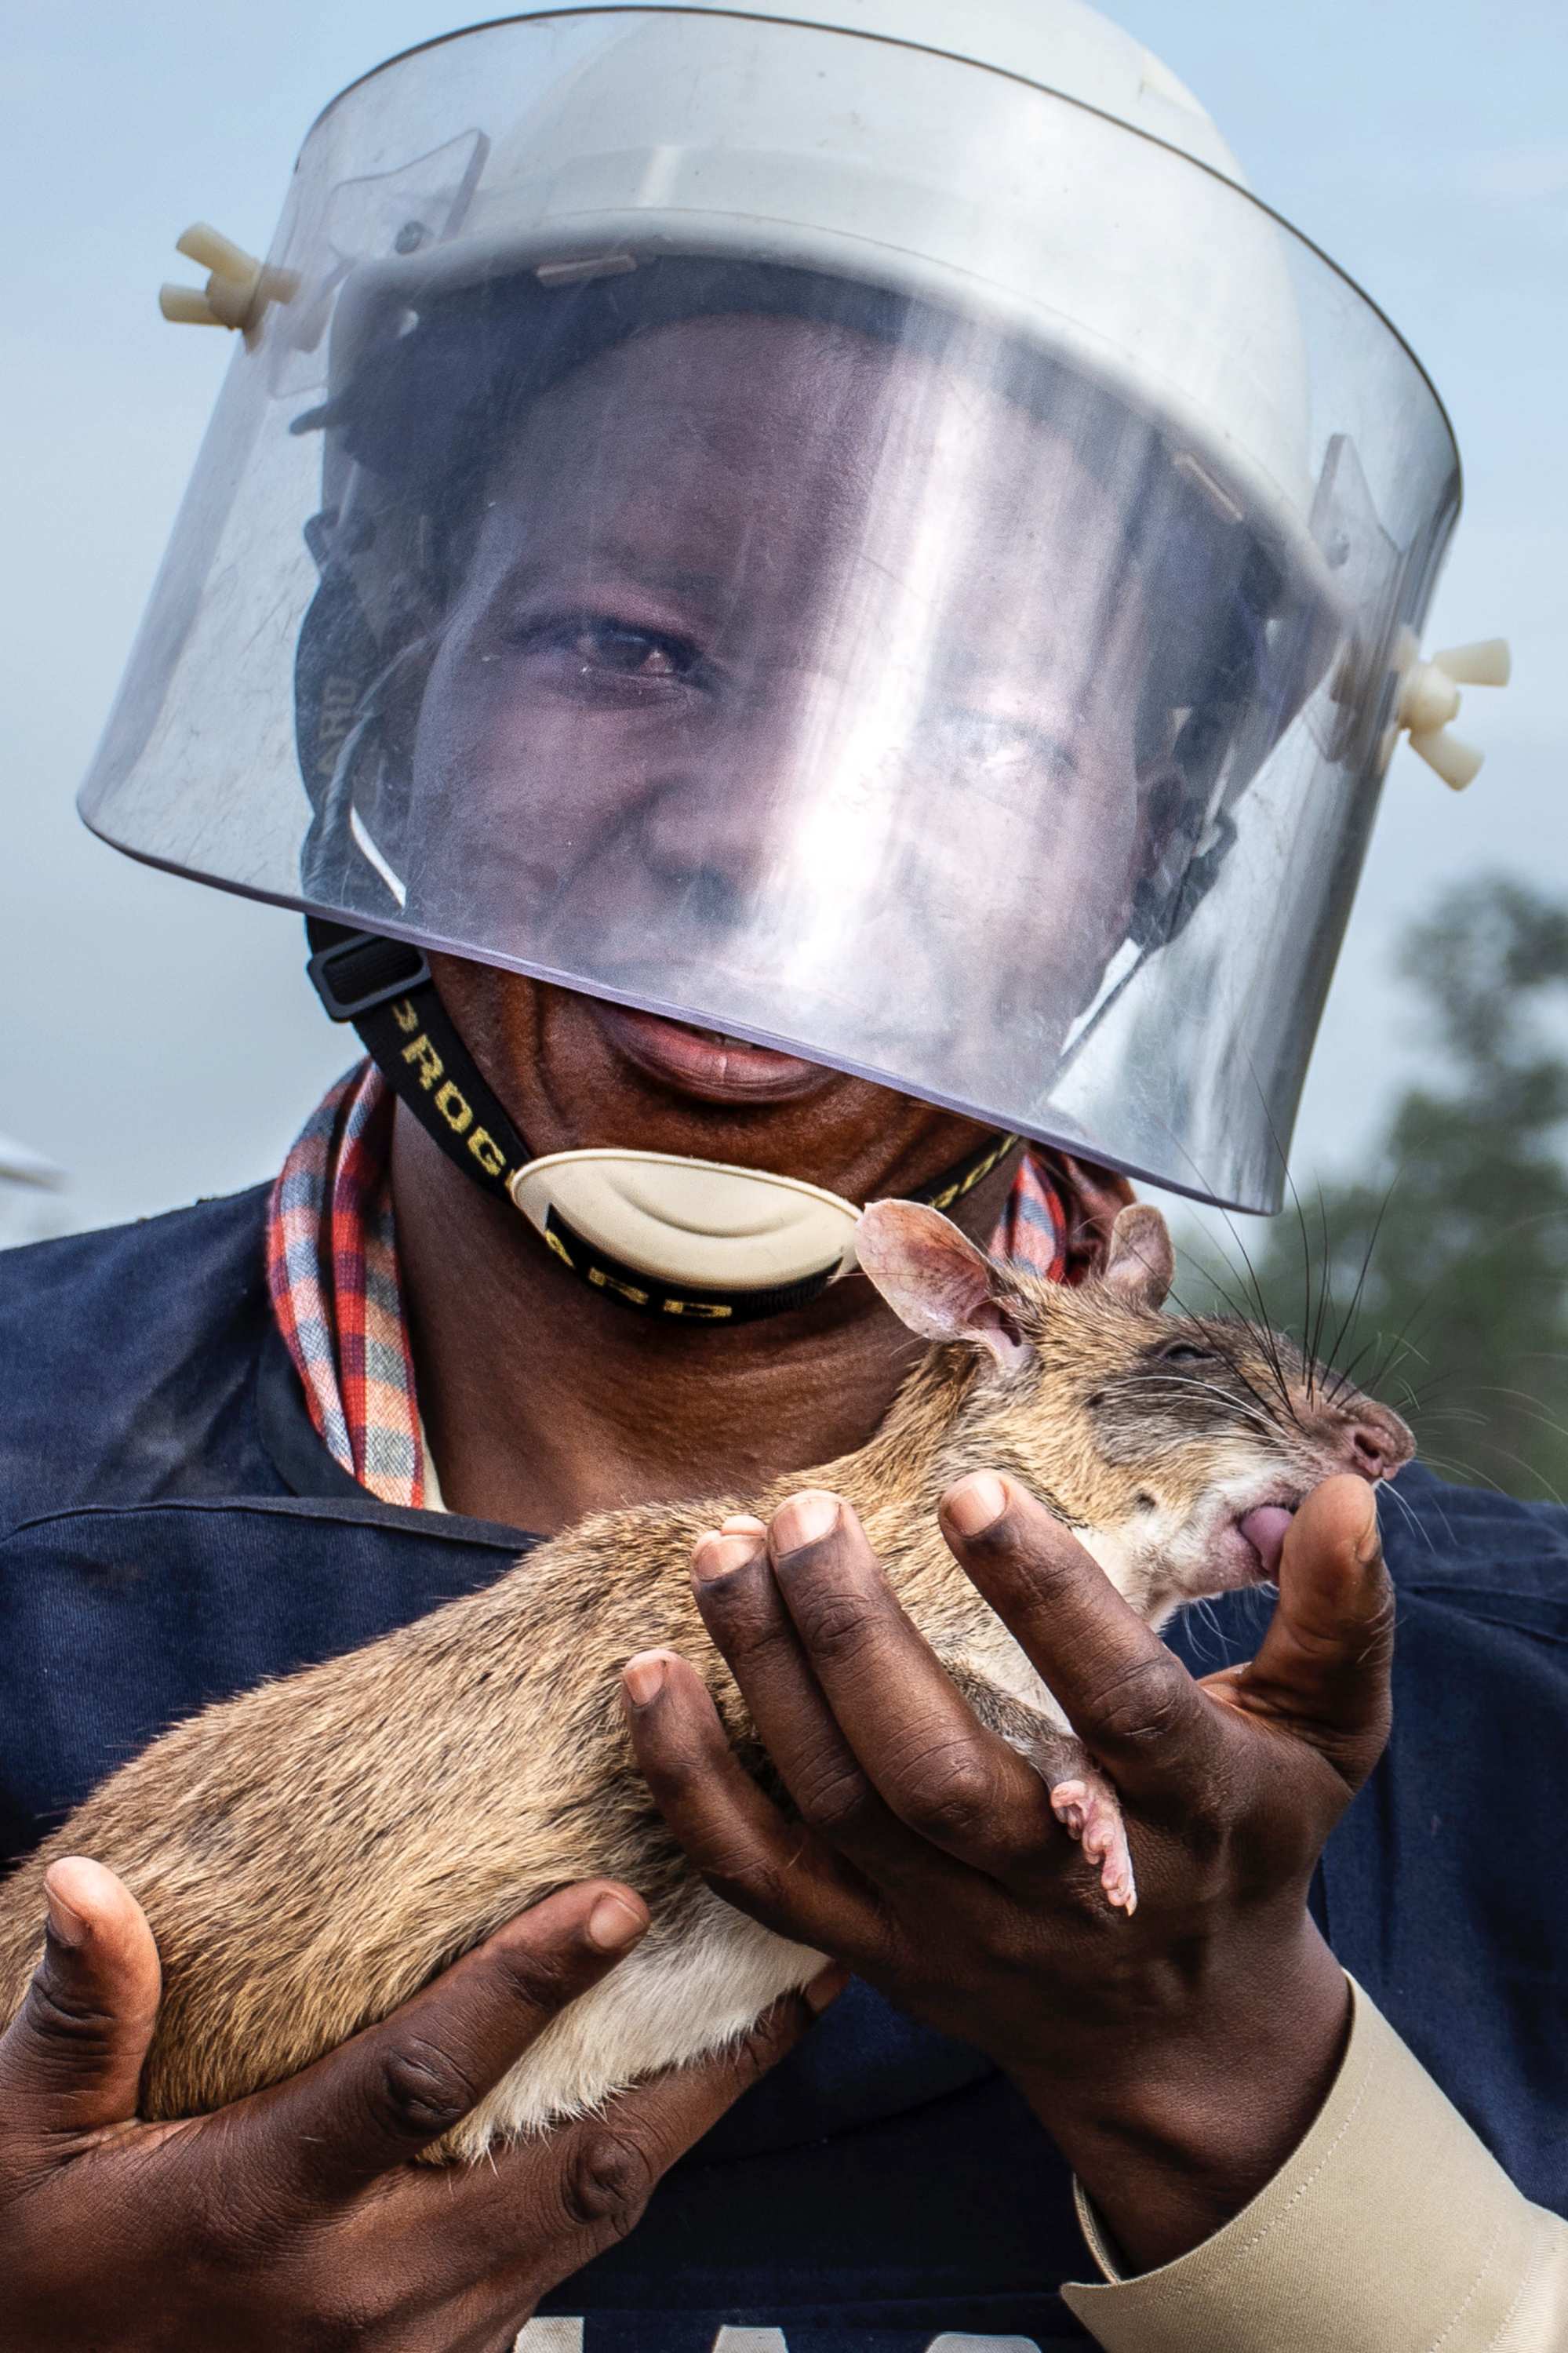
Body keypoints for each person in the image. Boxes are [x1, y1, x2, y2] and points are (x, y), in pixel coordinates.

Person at [2, 3, 1562, 2347]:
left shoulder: (1503, 1704)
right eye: (630, 643)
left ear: (1161, 846)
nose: (763, 841)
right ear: (378, 684)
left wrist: (1249, 2101)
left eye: (982, 720)